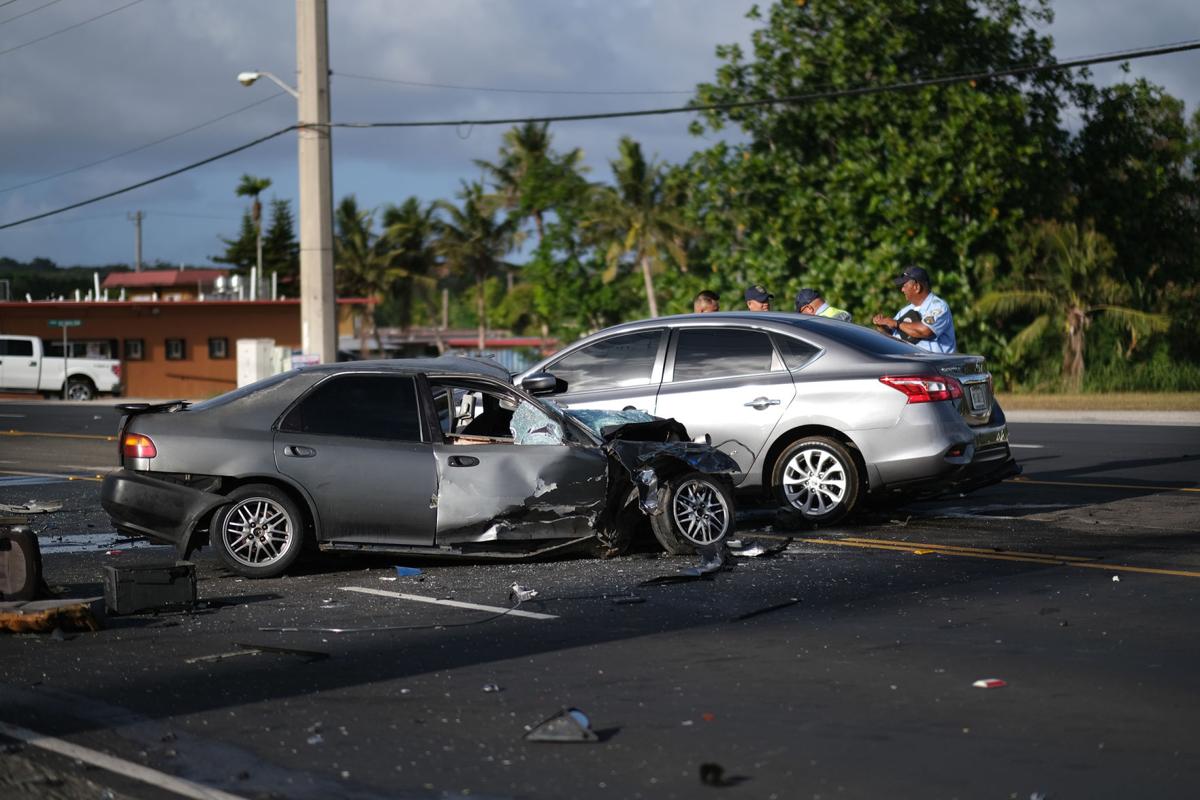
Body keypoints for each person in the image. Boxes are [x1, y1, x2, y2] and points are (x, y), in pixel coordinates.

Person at [872, 265, 956, 353]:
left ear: (917, 287)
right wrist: (882, 327)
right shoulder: (904, 311)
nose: (902, 289)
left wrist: (897, 323)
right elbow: (893, 338)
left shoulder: (938, 306)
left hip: (934, 364)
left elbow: (925, 331)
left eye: (904, 285)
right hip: (910, 364)